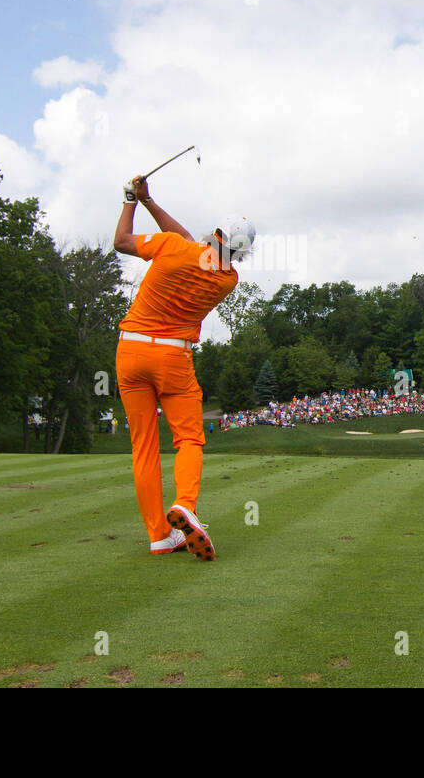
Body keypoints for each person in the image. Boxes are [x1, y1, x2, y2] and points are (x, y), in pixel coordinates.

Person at [113, 172, 255, 560]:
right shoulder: (228, 278)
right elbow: (194, 246)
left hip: (130, 351)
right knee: (189, 439)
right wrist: (149, 201)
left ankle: (159, 535)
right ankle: (185, 505)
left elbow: (122, 242)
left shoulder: (171, 247)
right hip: (172, 358)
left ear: (214, 233)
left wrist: (131, 200)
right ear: (240, 252)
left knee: (143, 447)